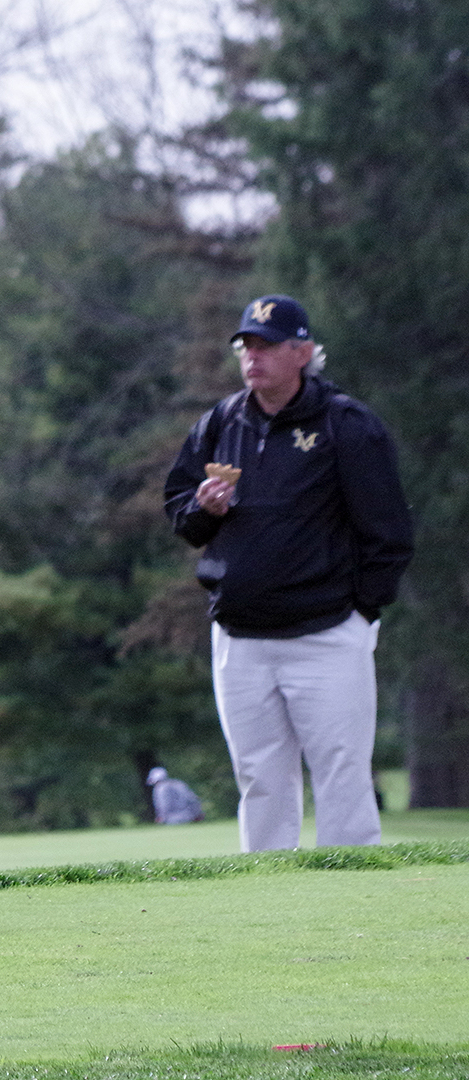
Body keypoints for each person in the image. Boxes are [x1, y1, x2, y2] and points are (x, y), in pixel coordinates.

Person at [163, 294, 413, 853]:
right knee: (259, 778)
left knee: (341, 772)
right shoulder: (221, 422)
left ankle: (353, 891)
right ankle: (268, 890)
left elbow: (388, 530)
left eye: (267, 346)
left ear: (302, 352)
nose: (253, 357)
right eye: (246, 346)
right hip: (240, 636)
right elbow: (181, 512)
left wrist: (361, 612)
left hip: (327, 632)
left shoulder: (345, 423)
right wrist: (204, 508)